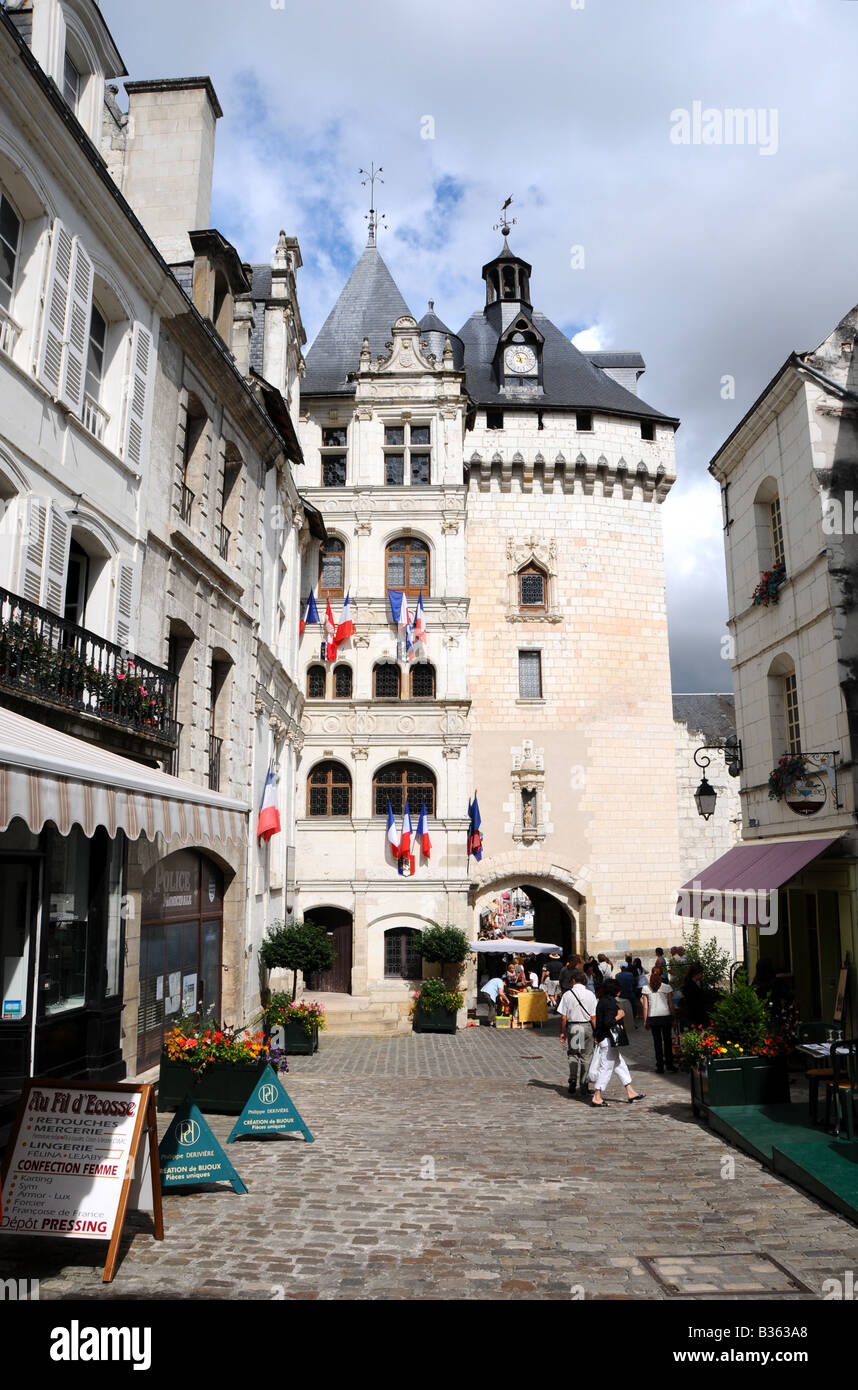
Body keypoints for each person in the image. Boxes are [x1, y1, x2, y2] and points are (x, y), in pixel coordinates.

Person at [589, 980, 645, 1108]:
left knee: (619, 1064)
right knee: (606, 1067)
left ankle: (630, 1091)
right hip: (608, 1039)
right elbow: (608, 1022)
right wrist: (619, 1016)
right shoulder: (608, 1003)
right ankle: (597, 1096)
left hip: (606, 1039)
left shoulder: (604, 1000)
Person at [558, 969, 597, 1097]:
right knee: (586, 1056)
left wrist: (562, 1032)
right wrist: (596, 1032)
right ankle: (584, 1084)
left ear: (573, 981)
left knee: (573, 1054)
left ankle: (573, 1078)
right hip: (586, 1026)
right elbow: (593, 1017)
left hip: (574, 1027)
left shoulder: (567, 995)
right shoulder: (590, 994)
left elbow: (563, 1017)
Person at [641, 966, 676, 1073]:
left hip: (653, 1017)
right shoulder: (667, 987)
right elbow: (670, 1005)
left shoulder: (646, 988)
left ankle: (660, 1065)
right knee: (668, 1041)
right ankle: (669, 1064)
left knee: (657, 1042)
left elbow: (645, 1006)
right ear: (661, 975)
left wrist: (645, 1020)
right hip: (665, 1016)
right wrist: (674, 1018)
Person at [682, 963, 708, 1028]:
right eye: (701, 973)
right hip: (694, 1016)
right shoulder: (691, 986)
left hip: (694, 1015)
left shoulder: (693, 984)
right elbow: (694, 1003)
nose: (702, 975)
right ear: (696, 974)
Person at [616, 959, 639, 1027]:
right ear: (626, 968)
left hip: (622, 994)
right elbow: (634, 983)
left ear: (621, 968)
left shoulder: (617, 975)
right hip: (630, 993)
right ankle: (633, 1021)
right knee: (634, 1007)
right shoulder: (630, 974)